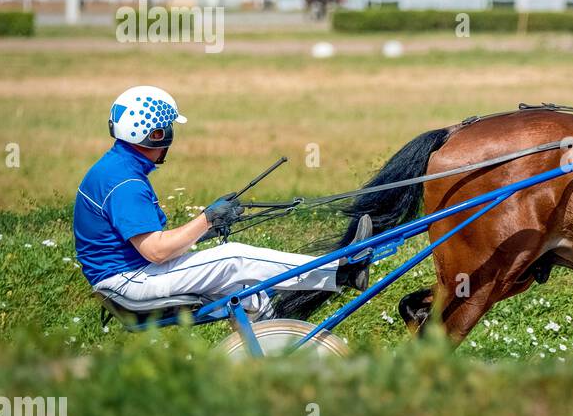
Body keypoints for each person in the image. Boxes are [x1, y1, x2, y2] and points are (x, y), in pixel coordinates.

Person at [73, 85, 371, 318]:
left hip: (129, 275)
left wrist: (205, 229)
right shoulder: (126, 183)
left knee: (248, 292)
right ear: (155, 134)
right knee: (234, 258)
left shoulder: (117, 168)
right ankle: (342, 270)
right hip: (130, 281)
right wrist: (207, 219)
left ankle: (272, 346)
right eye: (169, 129)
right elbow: (157, 250)